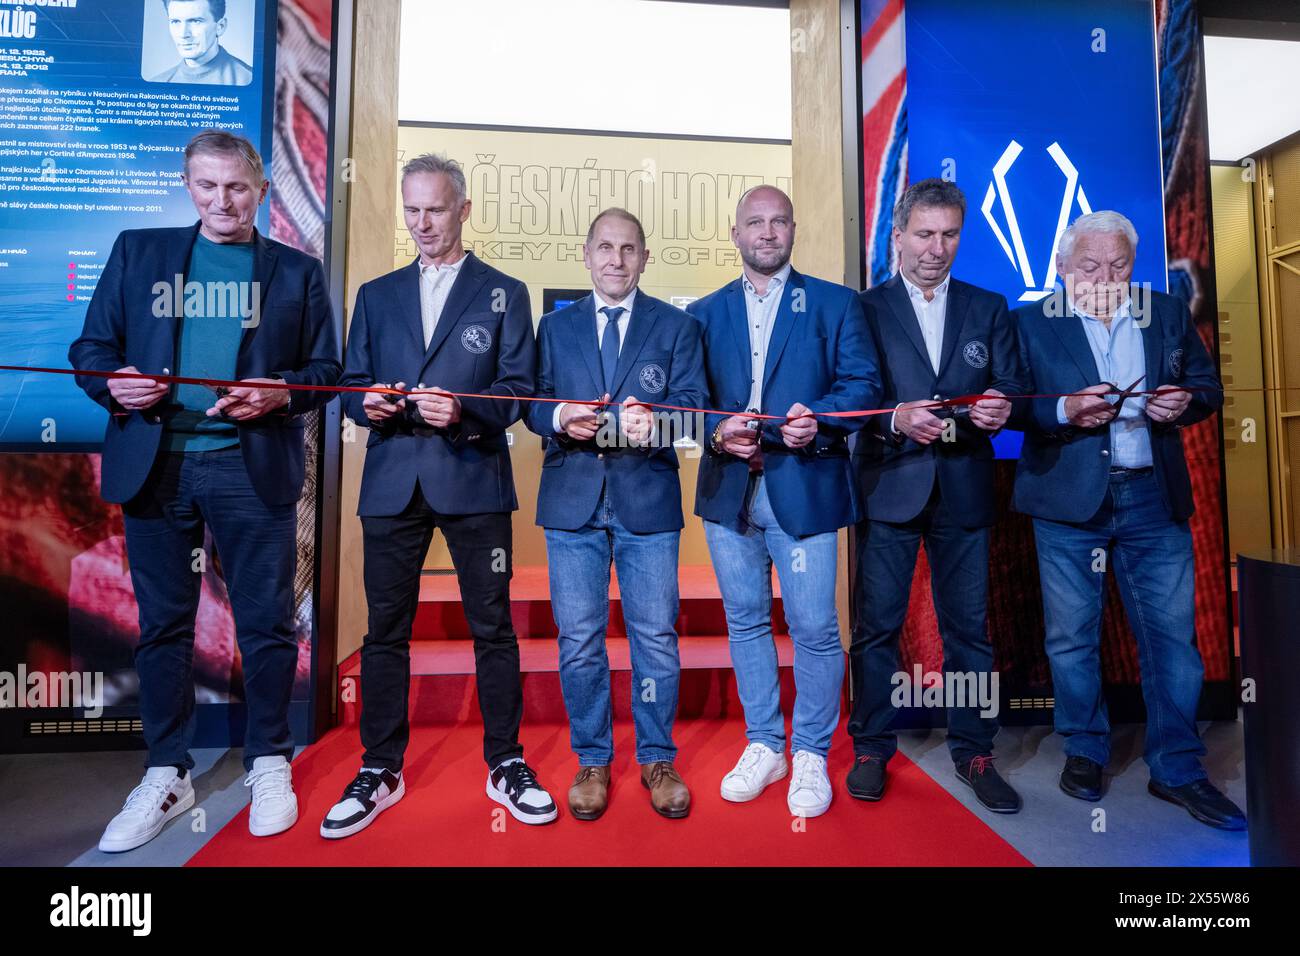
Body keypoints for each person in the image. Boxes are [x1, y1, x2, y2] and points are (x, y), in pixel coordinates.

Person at [69, 129, 340, 851]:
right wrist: (114, 385)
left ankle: (269, 760)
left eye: (237, 187)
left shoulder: (297, 271)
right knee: (163, 627)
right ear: (188, 186)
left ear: (261, 188)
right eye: (207, 186)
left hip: (251, 469)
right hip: (157, 465)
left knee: (267, 626)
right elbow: (90, 352)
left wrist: (280, 394)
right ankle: (167, 771)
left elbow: (324, 370)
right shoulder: (140, 252)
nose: (223, 200)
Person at [327, 153, 555, 836]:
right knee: (385, 632)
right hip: (392, 482)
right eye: (412, 209)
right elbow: (347, 387)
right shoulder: (376, 293)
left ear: (463, 210)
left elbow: (519, 391)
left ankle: (506, 761)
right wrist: (366, 404)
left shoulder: (504, 291)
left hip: (474, 480)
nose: (422, 223)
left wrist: (464, 412)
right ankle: (380, 767)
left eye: (434, 209)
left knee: (493, 629)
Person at [1012, 209, 1245, 830]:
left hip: (1151, 497)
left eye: (1119, 265)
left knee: (1172, 639)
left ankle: (1177, 766)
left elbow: (1207, 388)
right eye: (1089, 266)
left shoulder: (1164, 313)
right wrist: (1063, 408)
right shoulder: (1029, 322)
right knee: (1071, 638)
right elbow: (1007, 405)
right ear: (1061, 268)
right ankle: (1084, 751)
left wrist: (1184, 401)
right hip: (1068, 501)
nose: (1106, 277)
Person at [689, 185, 881, 818]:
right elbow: (688, 400)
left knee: (816, 630)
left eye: (777, 222)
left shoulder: (835, 304)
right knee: (745, 623)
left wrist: (820, 421)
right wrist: (716, 431)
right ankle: (765, 743)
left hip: (804, 486)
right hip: (730, 492)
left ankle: (811, 753)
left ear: (792, 230)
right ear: (735, 233)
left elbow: (862, 386)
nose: (767, 233)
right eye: (754, 223)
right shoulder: (705, 312)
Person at [848, 179, 1023, 812]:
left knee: (969, 632)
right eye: (924, 234)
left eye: (949, 234)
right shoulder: (862, 309)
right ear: (897, 237)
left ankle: (975, 750)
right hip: (890, 484)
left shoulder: (988, 306)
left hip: (965, 488)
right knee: (877, 630)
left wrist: (1001, 405)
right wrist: (893, 418)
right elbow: (850, 395)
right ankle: (871, 745)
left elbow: (1012, 381)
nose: (936, 247)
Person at [525, 207, 706, 821]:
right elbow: (530, 404)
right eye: (605, 247)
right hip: (572, 502)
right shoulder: (553, 326)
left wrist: (656, 424)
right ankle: (593, 760)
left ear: (645, 258)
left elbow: (694, 412)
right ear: (586, 253)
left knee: (655, 637)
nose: (616, 260)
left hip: (647, 501)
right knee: (579, 641)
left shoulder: (677, 327)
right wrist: (558, 417)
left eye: (629, 249)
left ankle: (657, 757)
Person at [149, 0, 253, 86]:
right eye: (175, 22)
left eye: (195, 21)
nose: (183, 34)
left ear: (220, 27)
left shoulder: (248, 80)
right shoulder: (156, 83)